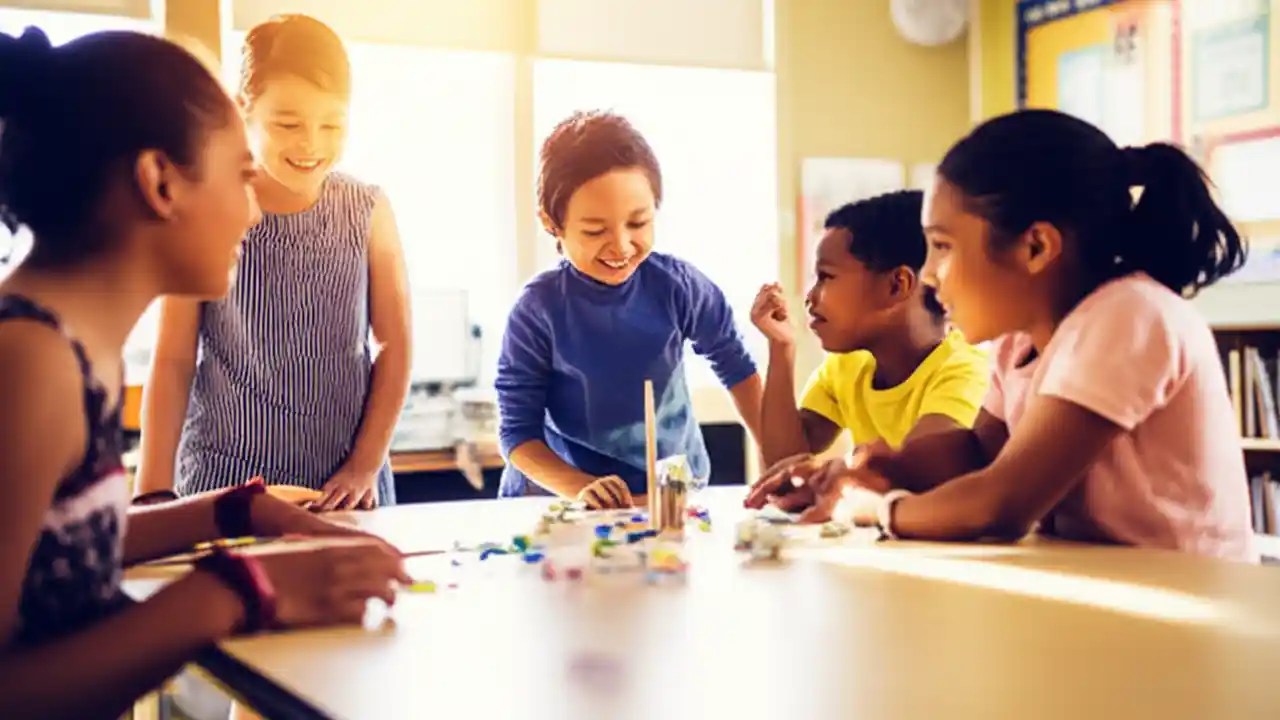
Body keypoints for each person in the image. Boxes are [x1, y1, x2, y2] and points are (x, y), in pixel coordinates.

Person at [0, 27, 409, 719]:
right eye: (243, 174)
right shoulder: (30, 366)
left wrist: (234, 509)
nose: (256, 209)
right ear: (161, 182)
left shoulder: (66, 350)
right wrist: (234, 587)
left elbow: (61, 548)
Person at [751, 109, 1256, 562]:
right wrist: (868, 467)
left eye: (943, 247)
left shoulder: (1128, 315)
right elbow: (977, 450)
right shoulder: (1019, 342)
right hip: (1114, 587)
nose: (928, 275)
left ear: (1035, 247)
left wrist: (876, 509)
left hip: (1194, 598)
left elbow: (1004, 502)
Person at [137, 14, 412, 511]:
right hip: (224, 482)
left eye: (332, 124)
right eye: (288, 124)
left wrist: (366, 464)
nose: (311, 144)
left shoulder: (368, 210)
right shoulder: (204, 209)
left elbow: (395, 343)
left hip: (342, 487)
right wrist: (152, 491)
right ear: (243, 111)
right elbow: (174, 360)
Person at [496, 110, 764, 509]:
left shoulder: (680, 287)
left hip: (669, 499)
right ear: (552, 223)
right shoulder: (538, 309)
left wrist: (775, 458)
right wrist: (580, 487)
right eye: (594, 231)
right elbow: (518, 433)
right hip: (564, 504)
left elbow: (737, 368)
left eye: (638, 223)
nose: (621, 246)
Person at [747, 190, 988, 514]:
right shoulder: (847, 364)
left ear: (896, 285)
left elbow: (913, 471)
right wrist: (781, 348)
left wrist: (833, 474)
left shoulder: (964, 369)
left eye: (826, 276)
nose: (810, 296)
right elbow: (781, 469)